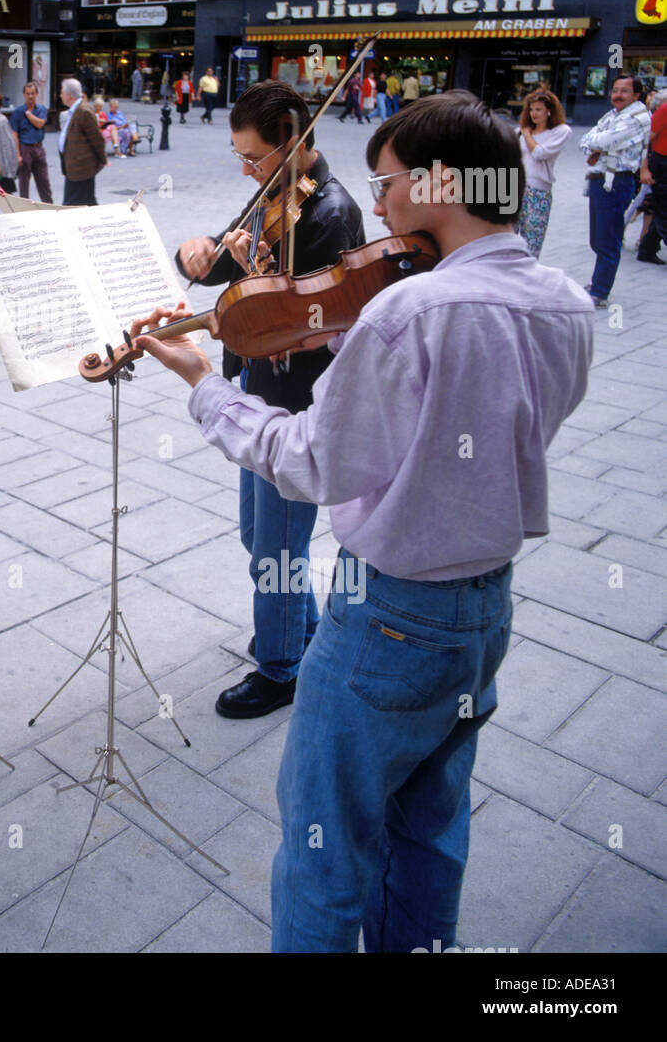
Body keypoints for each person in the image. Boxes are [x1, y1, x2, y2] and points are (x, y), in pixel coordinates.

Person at [138, 91, 593, 952]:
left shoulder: (406, 312)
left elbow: (310, 462)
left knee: (324, 848)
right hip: (486, 609)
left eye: (387, 183)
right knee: (427, 830)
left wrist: (205, 384)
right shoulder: (566, 302)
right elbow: (474, 414)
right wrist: (344, 346)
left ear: (443, 183)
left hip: (389, 612)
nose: (375, 205)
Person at [175, 80, 366, 718]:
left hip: (294, 401)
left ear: (296, 143)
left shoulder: (331, 213)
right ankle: (300, 630)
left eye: (256, 159)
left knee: (278, 546)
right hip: (259, 390)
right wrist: (199, 253)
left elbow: (297, 316)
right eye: (241, 159)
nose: (248, 172)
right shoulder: (274, 193)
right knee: (259, 534)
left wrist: (250, 262)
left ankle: (281, 669)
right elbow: (229, 274)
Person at [580, 73, 651, 307]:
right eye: (615, 90)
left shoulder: (636, 117)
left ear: (636, 95)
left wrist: (597, 143)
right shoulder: (614, 114)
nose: (617, 95)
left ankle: (600, 292)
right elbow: (587, 139)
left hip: (616, 182)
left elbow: (606, 141)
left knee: (608, 239)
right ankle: (597, 282)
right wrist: (597, 143)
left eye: (624, 91)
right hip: (600, 180)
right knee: (597, 239)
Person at [516, 88, 572, 259]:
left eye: (539, 109)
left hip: (538, 191)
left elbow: (540, 154)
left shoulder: (560, 131)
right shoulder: (520, 131)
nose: (534, 113)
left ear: (549, 111)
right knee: (506, 238)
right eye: (531, 109)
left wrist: (527, 135)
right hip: (515, 187)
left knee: (532, 242)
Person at [60, 78, 105, 207]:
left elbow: (97, 138)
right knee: (87, 203)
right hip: (74, 167)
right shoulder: (75, 110)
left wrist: (102, 160)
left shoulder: (83, 111)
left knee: (71, 205)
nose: (60, 95)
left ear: (69, 95)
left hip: (81, 168)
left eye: (62, 92)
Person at [637, 89, 667, 264]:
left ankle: (647, 249)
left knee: (662, 207)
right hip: (662, 162)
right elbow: (647, 138)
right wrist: (644, 167)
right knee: (664, 208)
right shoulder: (664, 110)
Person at [10, 82, 51, 202]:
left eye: (32, 93)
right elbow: (14, 134)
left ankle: (48, 206)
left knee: (44, 181)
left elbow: (39, 124)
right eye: (28, 94)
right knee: (24, 183)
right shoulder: (18, 111)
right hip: (24, 148)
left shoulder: (41, 109)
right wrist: (17, 154)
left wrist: (28, 114)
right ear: (24, 95)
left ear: (36, 94)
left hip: (38, 148)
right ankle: (24, 209)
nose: (30, 96)